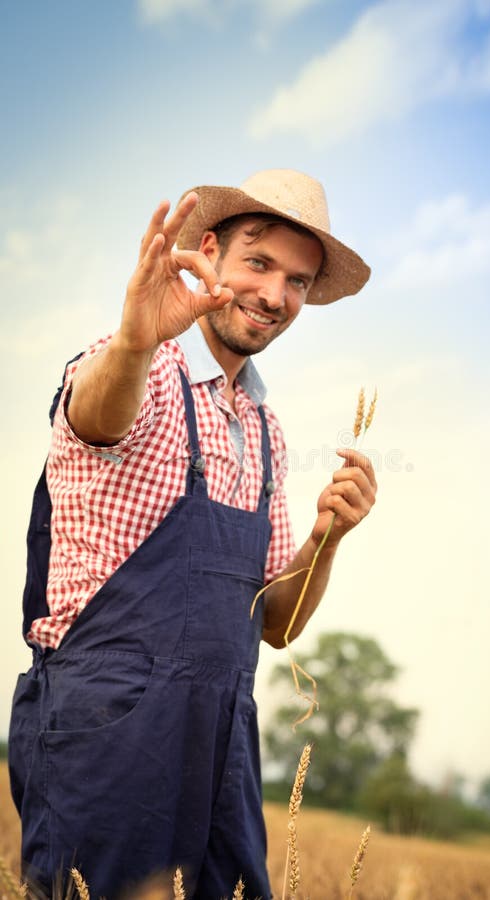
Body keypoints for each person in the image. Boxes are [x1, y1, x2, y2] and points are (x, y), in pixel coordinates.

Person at [9, 169, 376, 899]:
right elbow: (98, 417)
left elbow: (276, 624)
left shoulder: (266, 428)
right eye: (259, 263)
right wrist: (137, 342)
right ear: (208, 251)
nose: (275, 296)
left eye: (298, 282)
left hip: (222, 748)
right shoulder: (135, 366)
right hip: (109, 737)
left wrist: (328, 538)